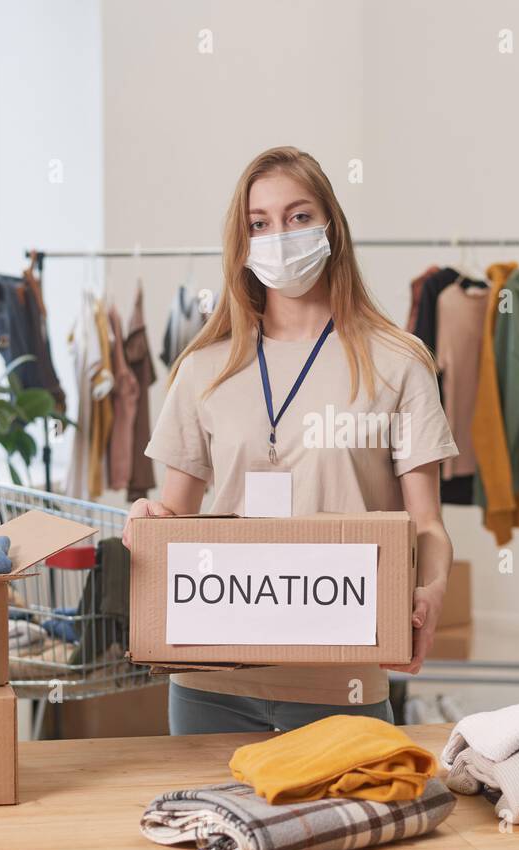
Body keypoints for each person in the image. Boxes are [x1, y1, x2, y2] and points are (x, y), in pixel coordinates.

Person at [122, 146, 458, 735]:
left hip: (342, 680)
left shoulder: (400, 362)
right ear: (244, 243)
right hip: (209, 684)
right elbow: (175, 512)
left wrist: (431, 590)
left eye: (299, 217)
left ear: (332, 226)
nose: (279, 235)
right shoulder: (204, 369)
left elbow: (426, 523)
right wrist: (150, 517)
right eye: (260, 224)